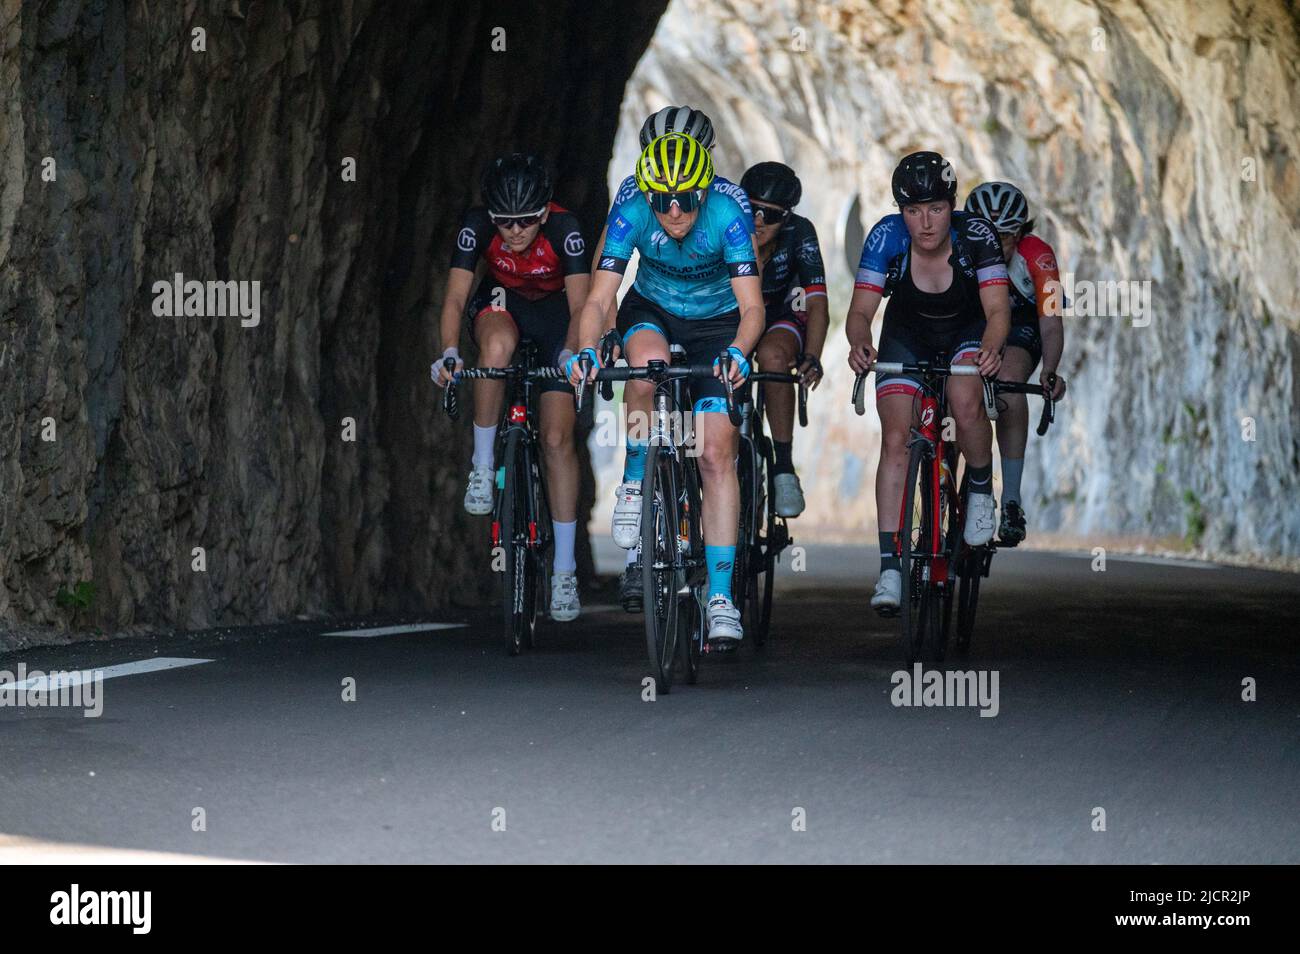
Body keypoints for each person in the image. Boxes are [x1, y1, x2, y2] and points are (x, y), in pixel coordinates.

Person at [567, 132, 765, 645]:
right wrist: (588, 348)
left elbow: (753, 308)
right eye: (663, 201)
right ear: (647, 194)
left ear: (705, 191)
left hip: (717, 324)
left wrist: (739, 351)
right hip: (652, 310)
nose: (675, 211)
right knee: (647, 365)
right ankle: (635, 482)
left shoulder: (729, 211)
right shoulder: (631, 206)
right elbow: (597, 298)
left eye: (686, 200)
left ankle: (720, 598)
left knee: (715, 453)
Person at [844, 151, 1012, 616]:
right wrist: (860, 343)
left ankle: (980, 488)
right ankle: (890, 568)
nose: (926, 222)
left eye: (936, 208)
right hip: (906, 336)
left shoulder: (976, 235)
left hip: (966, 331)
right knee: (896, 438)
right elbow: (860, 313)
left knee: (964, 396)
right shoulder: (885, 236)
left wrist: (993, 349)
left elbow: (998, 311)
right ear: (901, 211)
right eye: (913, 210)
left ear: (951, 206)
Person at [432, 153, 590, 621]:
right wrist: (447, 352)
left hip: (558, 313)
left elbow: (583, 305)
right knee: (496, 349)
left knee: (558, 439)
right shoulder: (476, 225)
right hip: (502, 302)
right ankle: (482, 465)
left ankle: (564, 570)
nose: (516, 232)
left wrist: (570, 352)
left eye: (526, 221)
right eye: (505, 223)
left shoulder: (566, 230)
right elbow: (456, 297)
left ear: (544, 212)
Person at [963, 182, 1068, 545]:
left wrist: (1049, 369)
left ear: (1021, 232)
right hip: (974, 323)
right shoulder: (956, 249)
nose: (994, 245)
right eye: (985, 236)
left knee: (1007, 383)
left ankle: (1010, 500)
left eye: (1004, 236)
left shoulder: (1039, 256)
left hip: (1022, 326)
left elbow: (1051, 321)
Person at [739, 161, 829, 517]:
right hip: (732, 311)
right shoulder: (726, 221)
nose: (759, 221)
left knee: (773, 357)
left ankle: (783, 467)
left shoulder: (800, 233)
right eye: (752, 210)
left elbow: (818, 302)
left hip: (781, 313)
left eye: (771, 216)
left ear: (787, 218)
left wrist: (813, 355)